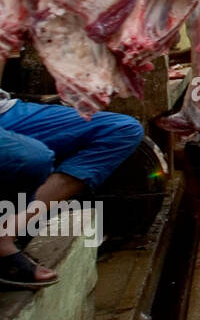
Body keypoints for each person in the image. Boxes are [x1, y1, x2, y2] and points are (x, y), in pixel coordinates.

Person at [0, 89, 143, 288]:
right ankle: (4, 242)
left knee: (122, 129)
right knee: (34, 159)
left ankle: (12, 226)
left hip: (6, 110)